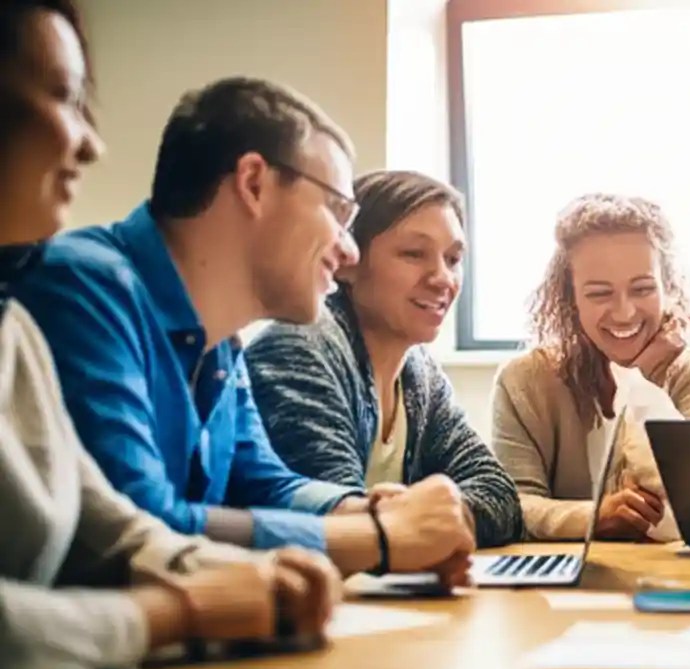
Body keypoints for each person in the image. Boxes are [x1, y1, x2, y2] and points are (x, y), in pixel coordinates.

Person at [0, 1, 340, 669]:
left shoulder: (14, 326)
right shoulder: (74, 285)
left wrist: (223, 571)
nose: (92, 145)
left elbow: (115, 526)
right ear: (252, 181)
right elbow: (142, 509)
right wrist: (175, 609)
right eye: (65, 98)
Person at [13, 76, 475, 580]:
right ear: (254, 183)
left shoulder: (222, 342)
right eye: (338, 213)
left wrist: (367, 512)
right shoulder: (82, 287)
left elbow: (265, 484)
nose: (349, 252)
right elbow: (137, 527)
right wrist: (379, 539)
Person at [245, 170, 522, 549]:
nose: (443, 278)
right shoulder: (298, 350)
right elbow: (337, 525)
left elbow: (500, 496)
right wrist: (415, 524)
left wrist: (431, 523)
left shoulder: (420, 374)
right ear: (348, 259)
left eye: (453, 258)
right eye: (413, 254)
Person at [492, 193, 690, 540]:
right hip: (553, 585)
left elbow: (678, 512)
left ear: (667, 288)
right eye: (599, 294)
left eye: (642, 289)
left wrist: (638, 380)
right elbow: (510, 505)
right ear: (570, 298)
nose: (624, 312)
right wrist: (592, 517)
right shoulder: (523, 382)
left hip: (667, 579)